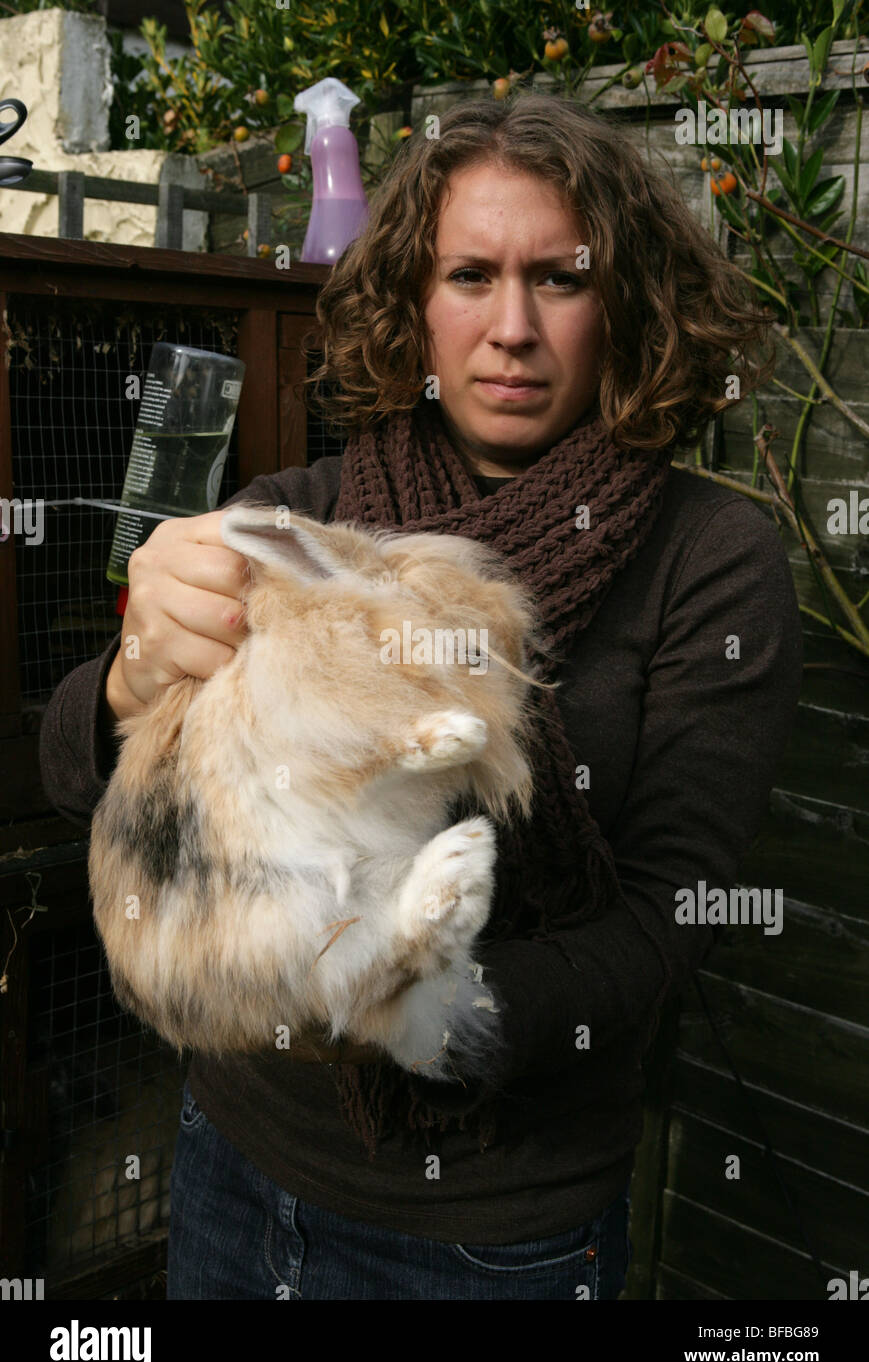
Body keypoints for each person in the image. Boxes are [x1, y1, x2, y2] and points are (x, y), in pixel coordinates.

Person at [38, 92, 804, 1301]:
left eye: (560, 278)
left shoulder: (710, 558)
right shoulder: (307, 510)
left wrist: (421, 1004)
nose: (510, 327)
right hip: (236, 1160)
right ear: (412, 301)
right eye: (467, 275)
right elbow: (77, 774)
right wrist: (137, 670)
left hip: (493, 1233)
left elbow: (671, 911)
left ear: (629, 304)